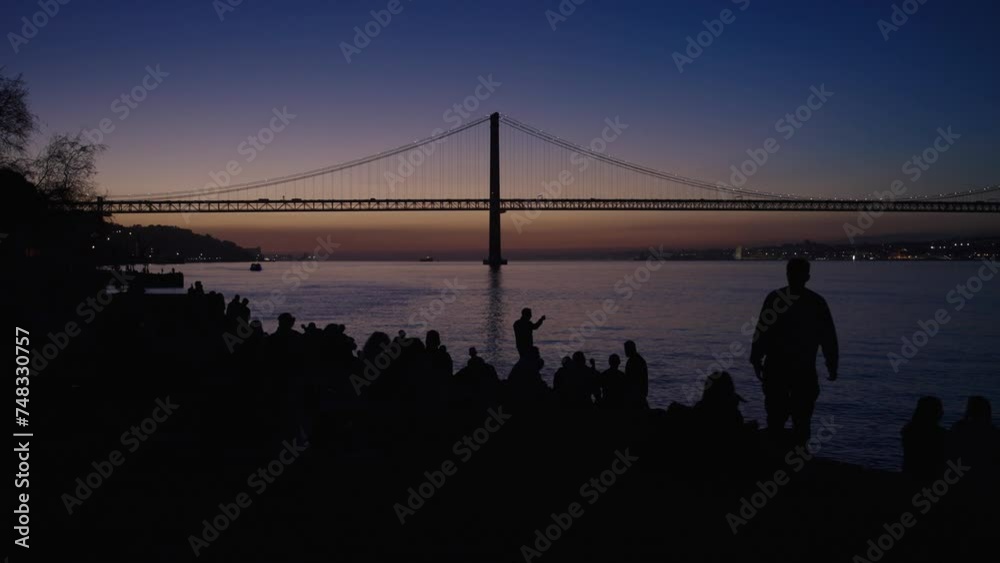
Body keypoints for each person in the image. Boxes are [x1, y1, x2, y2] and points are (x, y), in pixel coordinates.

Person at [750, 258, 839, 445]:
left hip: (779, 369)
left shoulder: (776, 298)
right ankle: (795, 455)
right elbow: (828, 337)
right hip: (800, 370)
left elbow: (762, 331)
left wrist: (756, 358)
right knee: (800, 420)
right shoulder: (816, 302)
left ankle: (777, 454)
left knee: (779, 418)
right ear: (807, 277)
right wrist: (832, 364)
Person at [901, 396, 949, 480]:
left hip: (910, 475)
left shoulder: (909, 430)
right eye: (939, 410)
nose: (942, 412)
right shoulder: (941, 434)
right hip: (932, 477)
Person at [623, 340, 648, 408]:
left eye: (626, 349)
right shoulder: (640, 360)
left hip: (635, 394)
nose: (625, 351)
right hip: (641, 393)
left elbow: (629, 379)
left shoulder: (632, 361)